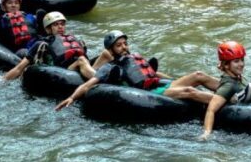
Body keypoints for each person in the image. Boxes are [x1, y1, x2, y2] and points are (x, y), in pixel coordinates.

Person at [54, 30, 221, 110]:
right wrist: (71, 98)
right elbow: (89, 84)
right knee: (189, 91)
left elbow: (154, 74)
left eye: (125, 43)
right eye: (119, 45)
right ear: (110, 50)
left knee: (198, 75)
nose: (124, 47)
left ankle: (234, 91)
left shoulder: (133, 59)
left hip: (159, 86)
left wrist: (173, 80)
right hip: (151, 95)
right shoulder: (109, 67)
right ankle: (225, 102)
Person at [200, 41, 251, 140]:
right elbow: (211, 110)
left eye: (242, 60)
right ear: (226, 65)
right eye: (236, 61)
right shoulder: (229, 85)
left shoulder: (237, 77)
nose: (241, 64)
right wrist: (206, 133)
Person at [2, 12, 95, 81]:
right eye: (56, 25)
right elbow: (19, 68)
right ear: (48, 29)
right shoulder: (42, 44)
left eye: (62, 24)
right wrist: (0, 81)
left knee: (105, 54)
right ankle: (99, 80)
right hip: (64, 71)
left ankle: (97, 77)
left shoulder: (77, 41)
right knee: (81, 60)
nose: (60, 27)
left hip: (83, 67)